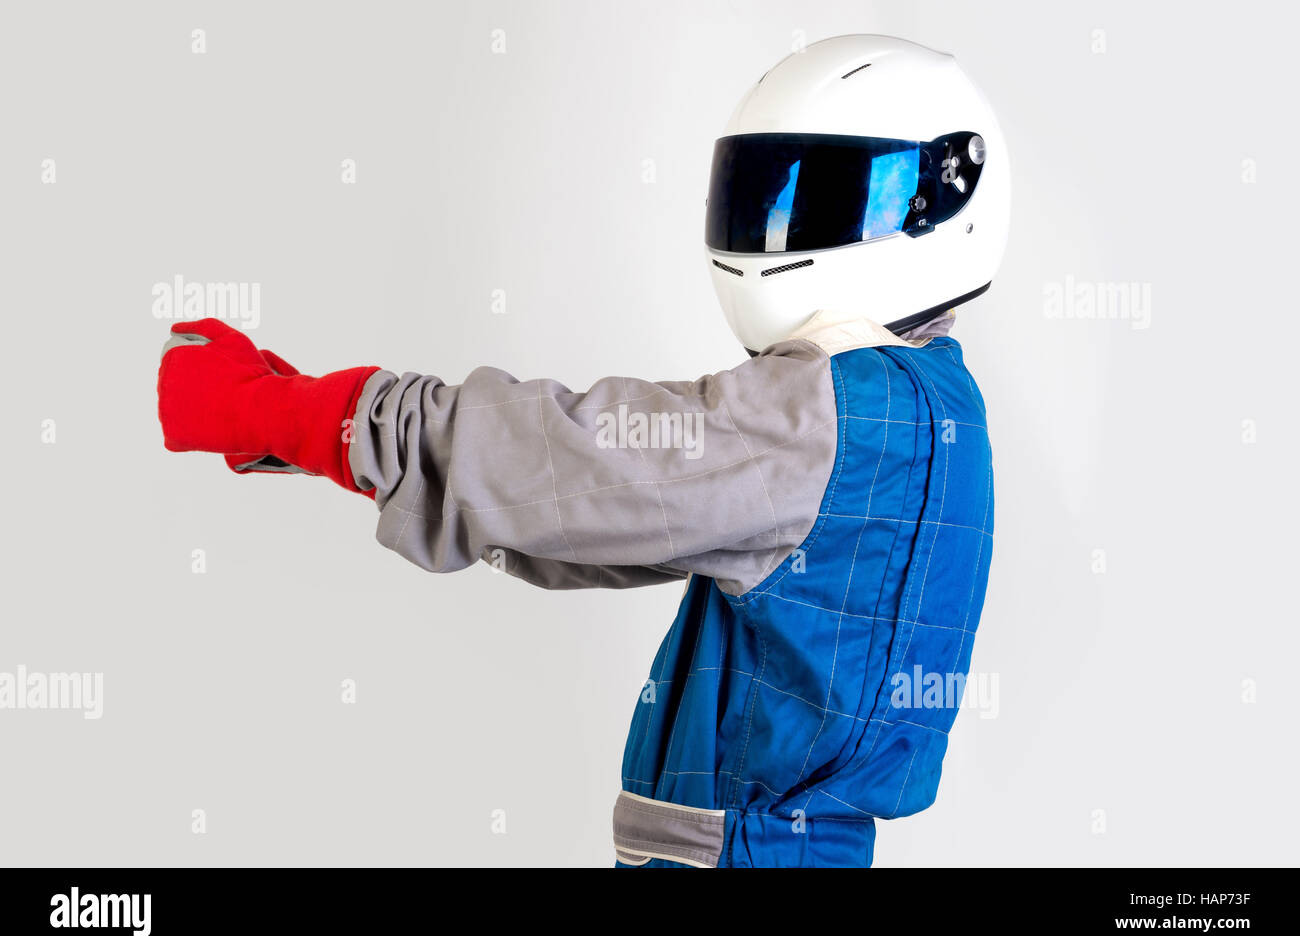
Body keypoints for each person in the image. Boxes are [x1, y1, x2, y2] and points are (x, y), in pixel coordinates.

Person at [157, 34, 1010, 867]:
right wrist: (339, 437)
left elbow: (576, 462)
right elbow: (596, 519)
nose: (777, 226)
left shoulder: (838, 414)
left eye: (820, 199)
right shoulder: (934, 410)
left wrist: (299, 413)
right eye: (763, 195)